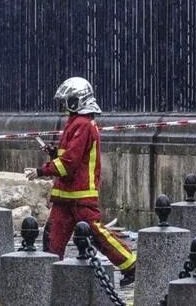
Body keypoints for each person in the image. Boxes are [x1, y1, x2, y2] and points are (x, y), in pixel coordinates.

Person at [26, 76, 137, 287]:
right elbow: (67, 155)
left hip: (80, 194)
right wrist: (52, 153)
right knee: (53, 237)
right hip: (65, 195)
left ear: (78, 100)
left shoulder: (84, 125)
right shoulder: (76, 123)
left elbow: (70, 162)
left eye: (67, 100)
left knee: (97, 234)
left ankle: (132, 264)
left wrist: (42, 171)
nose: (64, 105)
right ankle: (49, 278)